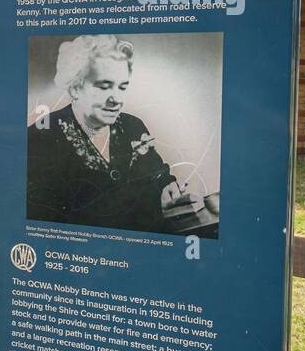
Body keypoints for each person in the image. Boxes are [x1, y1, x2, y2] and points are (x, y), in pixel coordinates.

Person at [27, 35, 191, 232]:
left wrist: (166, 189)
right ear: (75, 88)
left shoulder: (133, 126)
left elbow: (156, 174)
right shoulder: (40, 137)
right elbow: (42, 222)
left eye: (122, 87)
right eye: (104, 87)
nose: (116, 99)